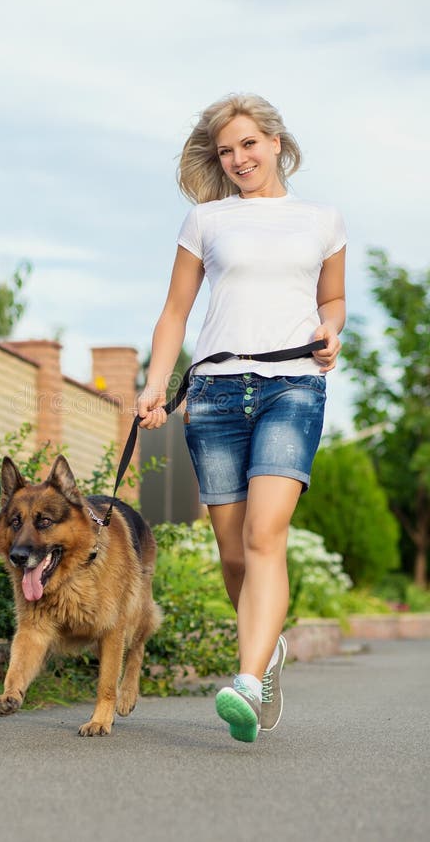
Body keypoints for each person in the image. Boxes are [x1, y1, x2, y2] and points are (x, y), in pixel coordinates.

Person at [137, 93, 346, 743]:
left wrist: (331, 330)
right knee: (234, 555)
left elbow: (333, 298)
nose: (237, 159)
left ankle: (249, 682)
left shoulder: (322, 219)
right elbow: (175, 311)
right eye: (226, 150)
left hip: (292, 385)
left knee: (264, 535)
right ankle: (270, 649)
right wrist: (154, 385)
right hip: (217, 393)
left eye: (248, 144)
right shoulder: (205, 220)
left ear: (276, 143)